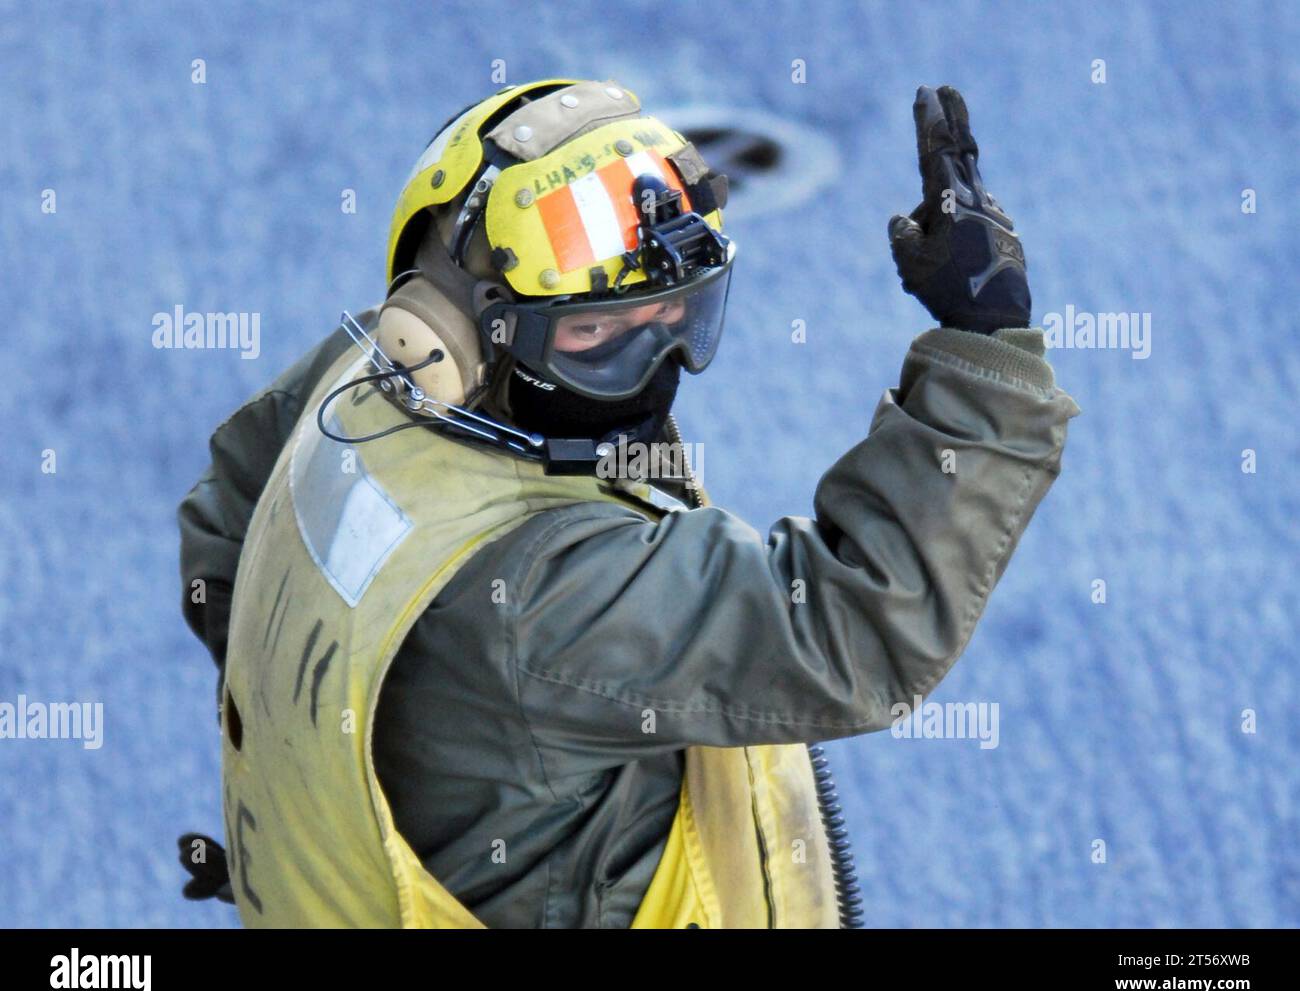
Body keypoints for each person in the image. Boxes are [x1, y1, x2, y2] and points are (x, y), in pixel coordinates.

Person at [176, 78, 1080, 928]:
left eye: (681, 320)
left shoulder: (369, 384)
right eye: (595, 334)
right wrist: (984, 347)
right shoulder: (546, 593)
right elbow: (855, 623)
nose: (660, 369)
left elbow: (225, 524)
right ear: (464, 330)